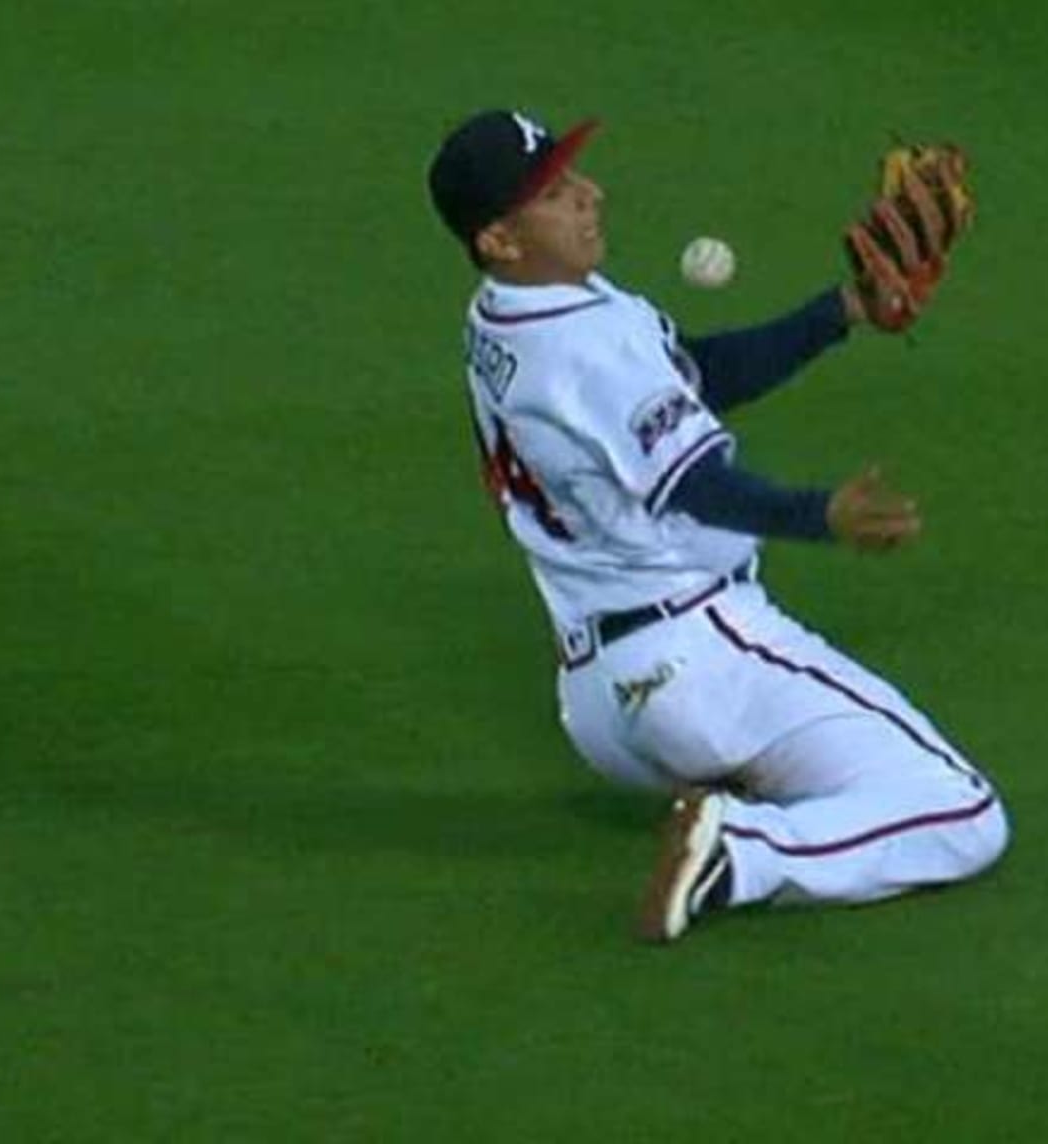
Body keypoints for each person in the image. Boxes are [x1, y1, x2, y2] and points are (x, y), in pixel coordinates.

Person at [425, 107, 1006, 944]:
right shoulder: (583, 347)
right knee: (960, 811)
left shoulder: (505, 317)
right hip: (702, 662)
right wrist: (821, 516)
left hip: (604, 699)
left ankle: (733, 812)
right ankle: (743, 850)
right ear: (501, 241)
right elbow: (693, 484)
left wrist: (841, 310)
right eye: (553, 194)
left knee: (847, 781)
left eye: (572, 174)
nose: (589, 196)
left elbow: (688, 375)